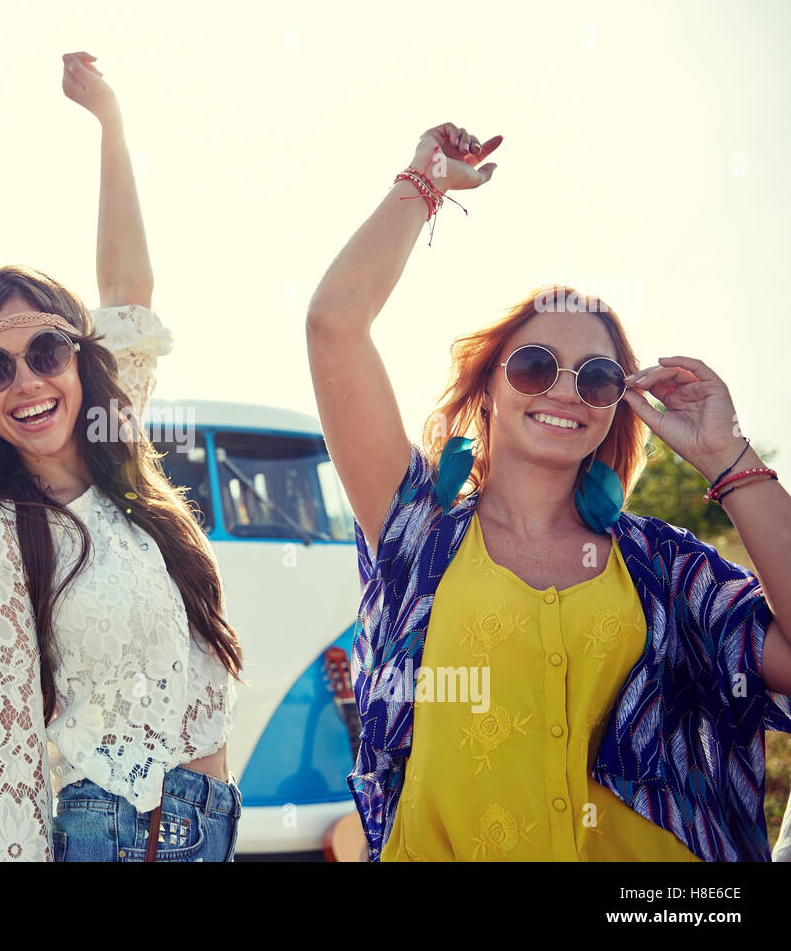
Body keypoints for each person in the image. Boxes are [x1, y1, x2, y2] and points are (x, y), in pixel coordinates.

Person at [306, 122, 791, 861]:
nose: (565, 389)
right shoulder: (415, 530)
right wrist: (424, 181)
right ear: (490, 385)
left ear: (615, 410)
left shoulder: (663, 566)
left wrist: (730, 458)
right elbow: (334, 325)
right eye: (535, 365)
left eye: (596, 377)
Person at [0, 53, 244, 862]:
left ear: (80, 358)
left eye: (45, 352)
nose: (26, 383)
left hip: (204, 829)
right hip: (112, 841)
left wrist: (111, 123)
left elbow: (130, 291)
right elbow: (7, 771)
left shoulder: (118, 450)